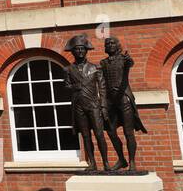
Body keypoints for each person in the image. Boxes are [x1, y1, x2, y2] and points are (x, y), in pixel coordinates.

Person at [62, 34, 112, 173]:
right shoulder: (68, 70)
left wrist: (103, 106)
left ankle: (106, 163)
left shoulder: (96, 68)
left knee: (99, 134)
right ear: (72, 51)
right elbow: (66, 86)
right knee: (85, 135)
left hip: (93, 105)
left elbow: (102, 89)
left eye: (82, 49)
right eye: (77, 49)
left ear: (86, 50)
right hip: (78, 106)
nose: (79, 51)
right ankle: (92, 163)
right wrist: (74, 87)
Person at [101, 36, 147, 172]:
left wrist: (129, 60)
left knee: (128, 132)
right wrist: (103, 103)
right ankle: (121, 159)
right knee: (110, 131)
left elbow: (130, 63)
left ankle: (132, 162)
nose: (109, 45)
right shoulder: (103, 63)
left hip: (124, 99)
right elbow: (102, 84)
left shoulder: (124, 59)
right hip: (111, 101)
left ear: (117, 45)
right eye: (107, 43)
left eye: (112, 43)